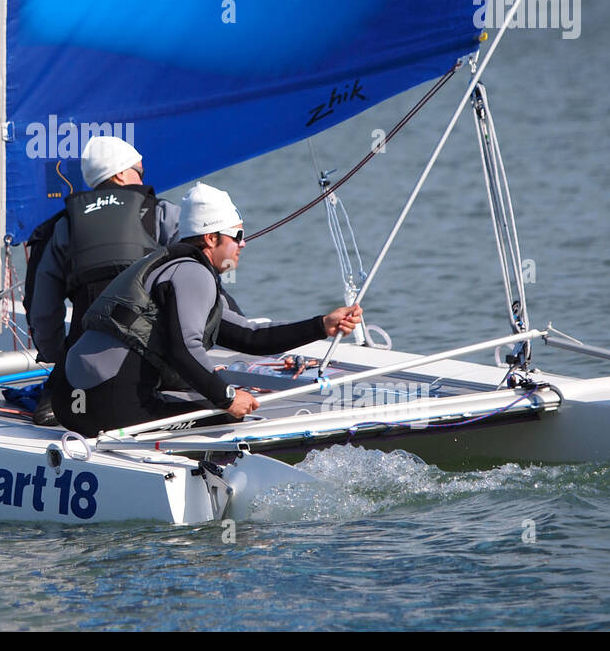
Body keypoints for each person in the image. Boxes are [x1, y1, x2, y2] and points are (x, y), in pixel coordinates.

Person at [54, 183, 362, 436]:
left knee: (201, 396)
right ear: (211, 238)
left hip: (69, 404)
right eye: (237, 236)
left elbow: (250, 336)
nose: (243, 244)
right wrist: (227, 398)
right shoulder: (194, 274)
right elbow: (184, 351)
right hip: (108, 409)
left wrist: (321, 325)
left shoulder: (170, 268)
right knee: (226, 416)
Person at [24, 136, 179, 425]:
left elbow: (41, 308)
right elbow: (198, 278)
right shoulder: (163, 214)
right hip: (152, 360)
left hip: (82, 363)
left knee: (58, 404)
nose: (143, 179)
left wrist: (56, 355)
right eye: (140, 172)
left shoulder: (63, 225)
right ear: (120, 175)